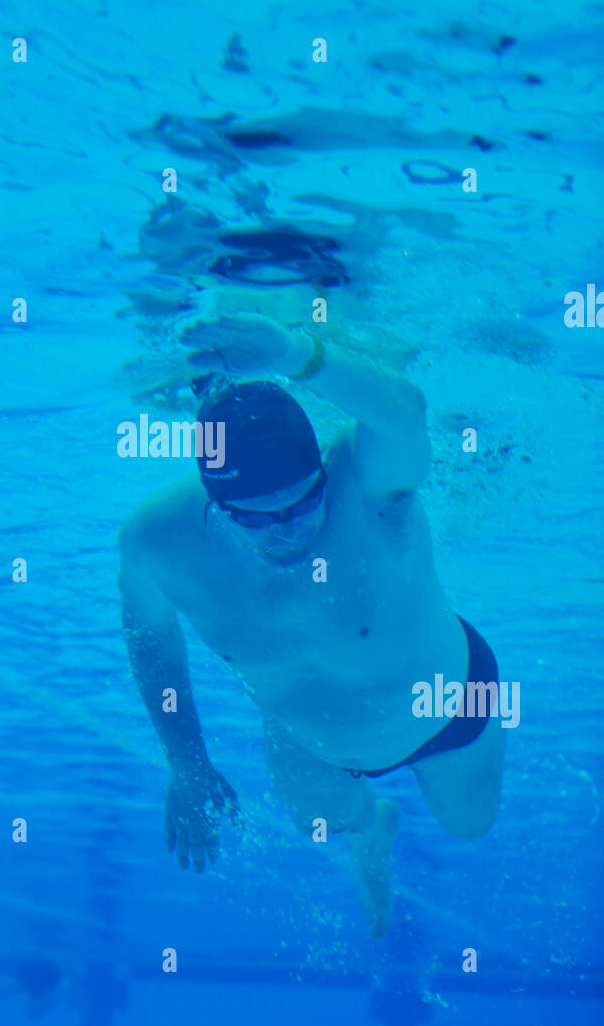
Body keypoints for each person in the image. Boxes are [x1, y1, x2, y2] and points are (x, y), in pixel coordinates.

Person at [118, 313, 506, 937]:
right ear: (215, 507)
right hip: (307, 736)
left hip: (450, 704)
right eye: (260, 519)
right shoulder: (158, 542)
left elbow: (404, 410)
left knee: (470, 826)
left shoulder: (369, 488)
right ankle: (372, 831)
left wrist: (296, 351)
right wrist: (185, 761)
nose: (291, 528)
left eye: (305, 500)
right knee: (320, 821)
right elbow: (149, 638)